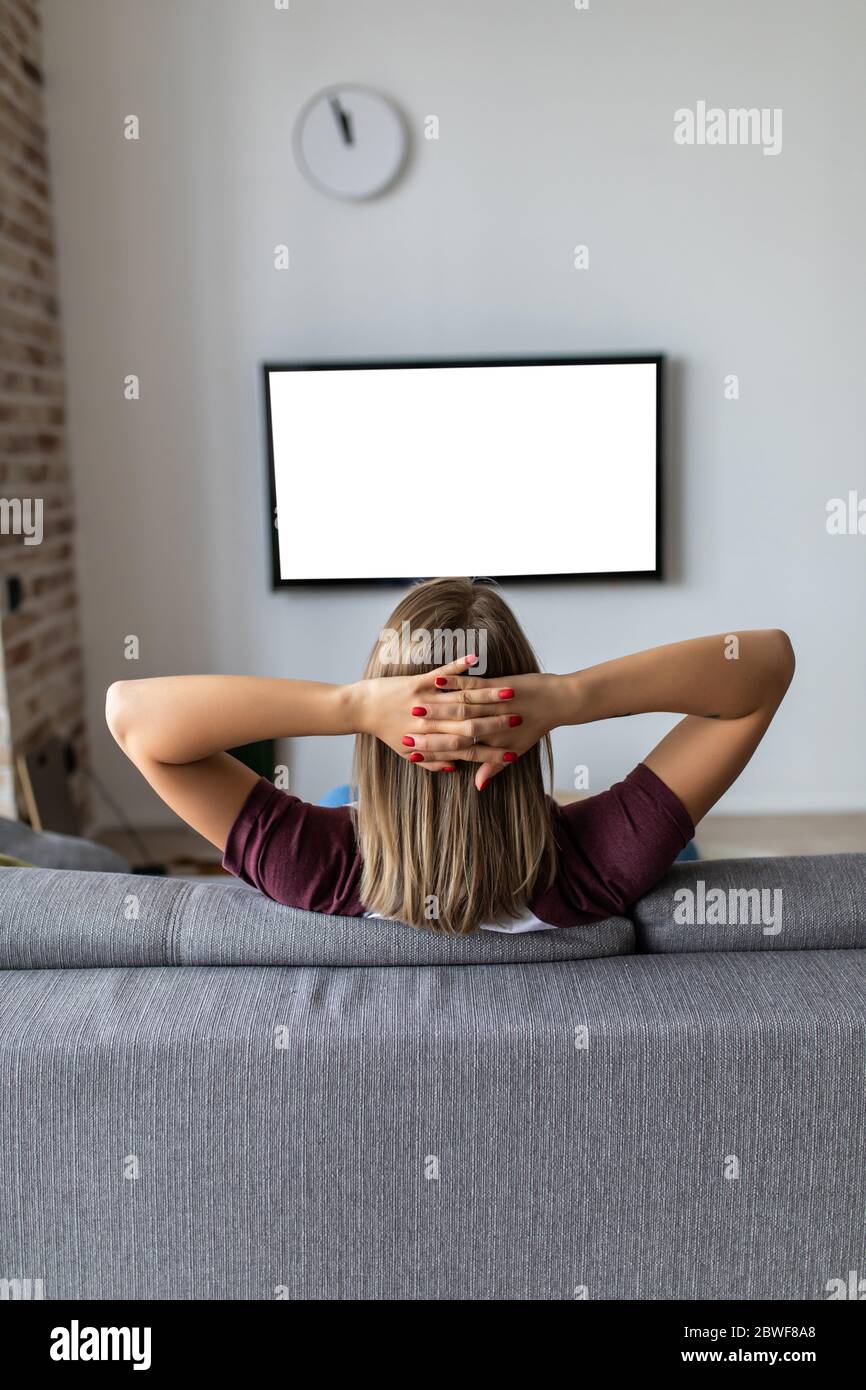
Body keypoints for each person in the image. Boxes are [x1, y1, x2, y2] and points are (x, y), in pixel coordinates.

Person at [105, 576, 794, 935]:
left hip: (370, 840)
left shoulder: (316, 866)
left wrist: (350, 707)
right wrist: (570, 695)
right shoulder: (600, 864)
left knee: (344, 808)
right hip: (552, 844)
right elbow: (765, 665)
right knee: (686, 849)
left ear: (384, 737)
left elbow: (131, 716)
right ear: (526, 732)